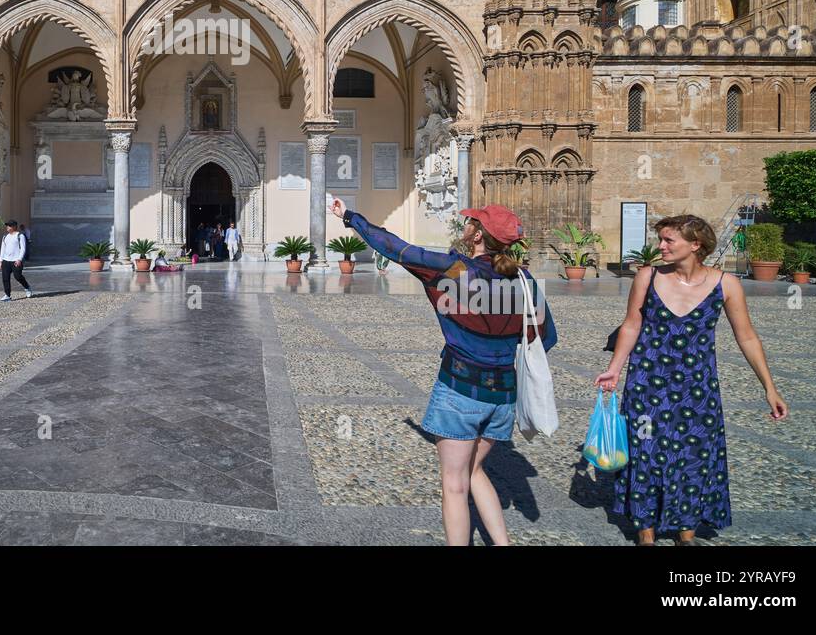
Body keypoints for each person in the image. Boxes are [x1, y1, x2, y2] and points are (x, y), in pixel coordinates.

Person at [331, 196, 557, 546]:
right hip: (503, 397)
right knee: (474, 470)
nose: (466, 224)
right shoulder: (524, 282)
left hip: (460, 389)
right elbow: (545, 338)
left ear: (478, 234)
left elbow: (397, 248)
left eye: (472, 221)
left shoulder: (453, 271)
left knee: (454, 485)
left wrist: (350, 217)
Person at [597, 214, 788, 546]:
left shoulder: (725, 284)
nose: (661, 246)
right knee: (646, 452)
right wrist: (615, 367)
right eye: (662, 240)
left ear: (695, 244)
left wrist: (769, 387)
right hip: (647, 383)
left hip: (697, 389)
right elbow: (631, 325)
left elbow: (747, 338)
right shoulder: (647, 276)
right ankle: (646, 533)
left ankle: (686, 534)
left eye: (669, 240)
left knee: (694, 456)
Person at [0, 219, 33, 302]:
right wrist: (0, 260)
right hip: (6, 260)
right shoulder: (5, 236)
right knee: (5, 278)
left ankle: (27, 287)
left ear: (13, 227)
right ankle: (7, 295)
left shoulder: (20, 236)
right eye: (7, 225)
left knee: (18, 276)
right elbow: (2, 249)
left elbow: (23, 249)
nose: (7, 227)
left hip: (16, 261)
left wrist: (19, 259)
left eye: (9, 226)